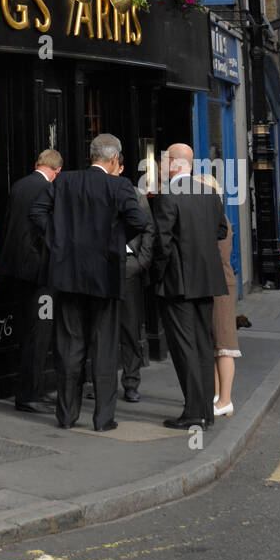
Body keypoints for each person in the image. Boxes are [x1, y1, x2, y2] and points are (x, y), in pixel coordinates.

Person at [30, 133, 149, 432]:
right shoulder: (119, 185)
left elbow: (37, 211)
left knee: (69, 345)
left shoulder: (64, 181)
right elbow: (139, 221)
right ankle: (103, 418)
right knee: (104, 347)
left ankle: (67, 416)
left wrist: (59, 241)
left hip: (68, 276)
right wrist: (111, 240)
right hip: (105, 276)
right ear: (113, 160)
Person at [151, 144, 228, 430]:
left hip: (177, 284)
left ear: (173, 164)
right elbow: (221, 230)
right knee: (203, 346)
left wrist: (156, 277)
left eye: (163, 161)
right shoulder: (208, 193)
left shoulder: (167, 195)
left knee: (184, 348)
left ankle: (194, 413)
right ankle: (205, 410)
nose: (160, 167)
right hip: (206, 280)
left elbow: (162, 243)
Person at [0, 148, 62, 414]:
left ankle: (31, 390)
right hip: (40, 275)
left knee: (27, 331)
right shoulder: (47, 190)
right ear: (56, 171)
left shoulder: (19, 186)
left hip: (16, 271)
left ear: (38, 164)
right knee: (40, 331)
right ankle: (30, 394)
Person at [118, 156, 155, 404]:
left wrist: (141, 261)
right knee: (101, 328)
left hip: (129, 267)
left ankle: (131, 382)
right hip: (101, 268)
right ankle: (102, 381)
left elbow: (149, 228)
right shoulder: (95, 191)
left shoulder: (136, 193)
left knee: (130, 329)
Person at [212, 205, 240, 417]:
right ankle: (217, 397)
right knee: (216, 347)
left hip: (221, 285)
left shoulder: (219, 220)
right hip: (217, 285)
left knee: (224, 345)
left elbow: (219, 255)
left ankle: (225, 400)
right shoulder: (217, 217)